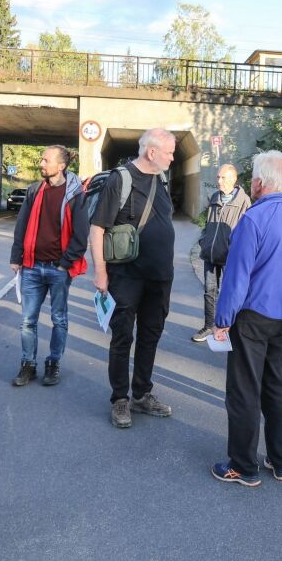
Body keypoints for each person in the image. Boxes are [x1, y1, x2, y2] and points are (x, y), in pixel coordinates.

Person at [210, 151, 282, 487]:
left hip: (252, 316)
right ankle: (281, 461)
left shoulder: (252, 220)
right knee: (276, 386)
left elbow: (237, 279)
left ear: (258, 182)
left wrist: (222, 319)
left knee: (244, 390)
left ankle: (242, 465)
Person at [89, 128, 177, 428]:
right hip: (126, 277)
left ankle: (141, 393)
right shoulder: (121, 179)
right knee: (123, 337)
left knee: (150, 336)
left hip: (159, 278)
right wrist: (100, 271)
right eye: (169, 152)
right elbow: (98, 228)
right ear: (151, 152)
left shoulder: (162, 179)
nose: (173, 157)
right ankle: (120, 399)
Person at [8, 145, 89, 387]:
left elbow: (81, 234)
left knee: (59, 319)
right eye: (41, 160)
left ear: (61, 166)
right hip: (32, 266)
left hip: (58, 269)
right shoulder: (34, 191)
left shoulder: (75, 194)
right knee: (27, 321)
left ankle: (53, 363)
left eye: (46, 160)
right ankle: (28, 365)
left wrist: (65, 264)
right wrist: (16, 256)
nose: (41, 164)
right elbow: (21, 224)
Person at [192, 164, 250, 342]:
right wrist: (204, 240)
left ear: (233, 179)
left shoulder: (243, 201)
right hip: (210, 253)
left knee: (230, 292)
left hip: (229, 256)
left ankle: (230, 328)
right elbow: (208, 223)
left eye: (223, 177)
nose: (219, 181)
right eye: (218, 177)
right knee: (209, 291)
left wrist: (236, 250)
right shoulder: (215, 197)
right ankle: (209, 326)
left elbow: (246, 230)